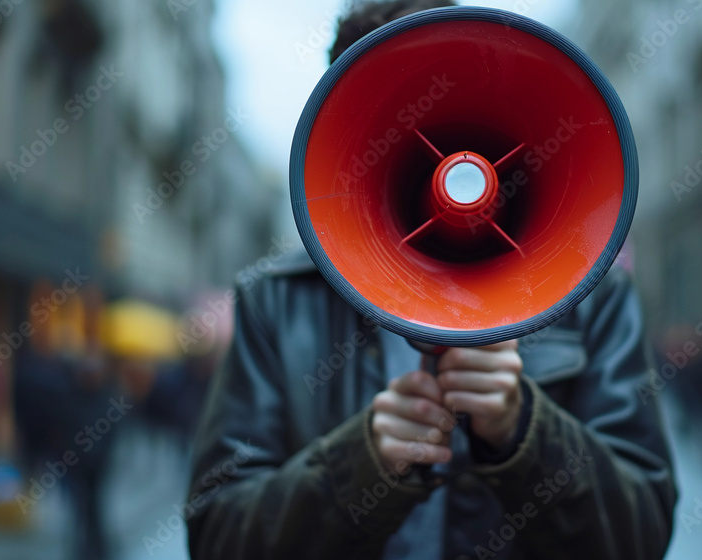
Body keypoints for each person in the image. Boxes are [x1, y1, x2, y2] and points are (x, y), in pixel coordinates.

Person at [186, 2, 677, 559]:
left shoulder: (592, 296)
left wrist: (524, 430)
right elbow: (217, 538)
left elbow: (641, 536)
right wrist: (361, 464)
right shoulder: (277, 303)